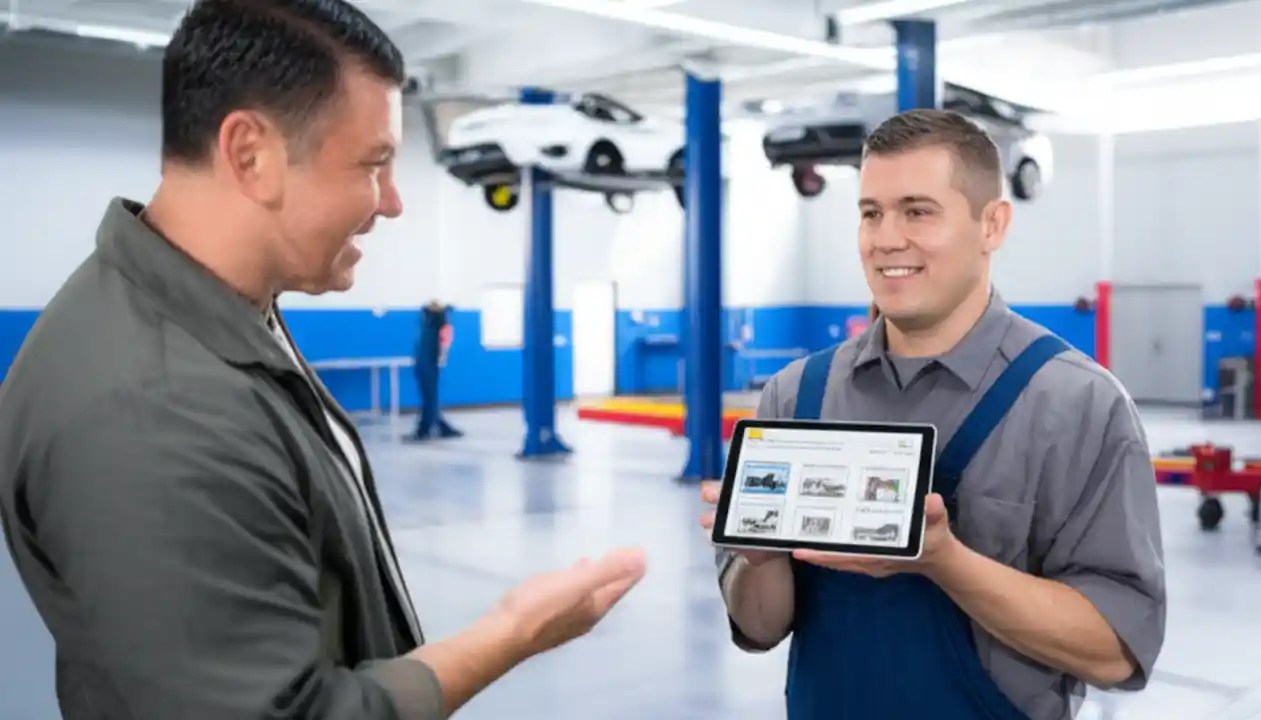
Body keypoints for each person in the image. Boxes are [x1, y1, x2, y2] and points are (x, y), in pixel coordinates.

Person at [0, 2, 645, 718]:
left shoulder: (226, 316)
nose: (392, 202)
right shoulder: (152, 410)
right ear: (250, 155)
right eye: (373, 164)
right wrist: (511, 634)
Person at [701, 109, 1165, 720]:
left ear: (992, 224)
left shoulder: (1077, 405)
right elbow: (759, 628)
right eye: (871, 212)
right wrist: (758, 559)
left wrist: (945, 562)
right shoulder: (795, 398)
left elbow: (1116, 652)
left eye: (917, 210)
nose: (886, 238)